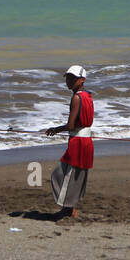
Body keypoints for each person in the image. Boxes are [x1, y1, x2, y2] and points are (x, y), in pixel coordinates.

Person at [42, 65, 94, 220]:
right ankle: (68, 209)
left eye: (73, 78)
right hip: (86, 141)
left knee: (61, 175)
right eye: (68, 78)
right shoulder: (88, 96)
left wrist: (55, 129)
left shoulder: (77, 97)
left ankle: (69, 210)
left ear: (82, 80)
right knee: (74, 176)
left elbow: (71, 126)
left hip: (78, 142)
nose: (69, 81)